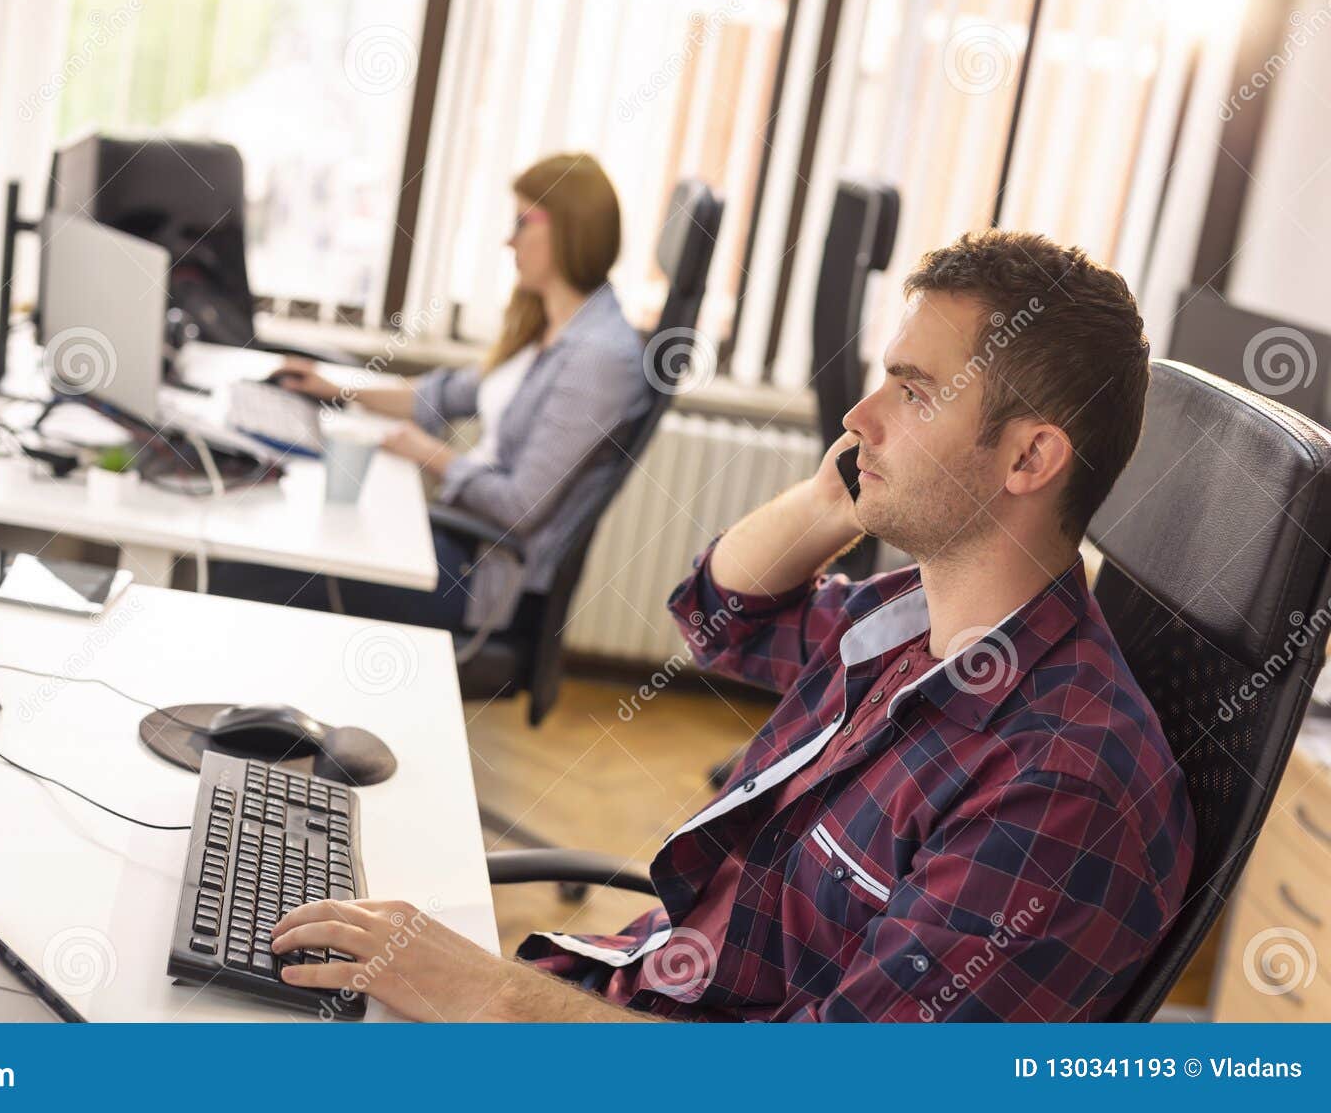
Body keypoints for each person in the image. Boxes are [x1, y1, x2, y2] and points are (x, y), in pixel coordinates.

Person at [267, 229, 1196, 1022]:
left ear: (1030, 455)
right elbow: (718, 616)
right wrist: (843, 498)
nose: (857, 415)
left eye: (913, 391)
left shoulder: (1063, 786)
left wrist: (488, 996)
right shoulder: (906, 626)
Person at [211, 152, 651, 633]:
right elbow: (442, 395)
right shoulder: (546, 325)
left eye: (523, 222)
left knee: (251, 566)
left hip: (478, 578)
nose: (509, 240)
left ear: (569, 229)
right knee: (271, 539)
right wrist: (338, 387)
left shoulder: (600, 358)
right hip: (453, 538)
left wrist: (428, 453)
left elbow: (520, 507)